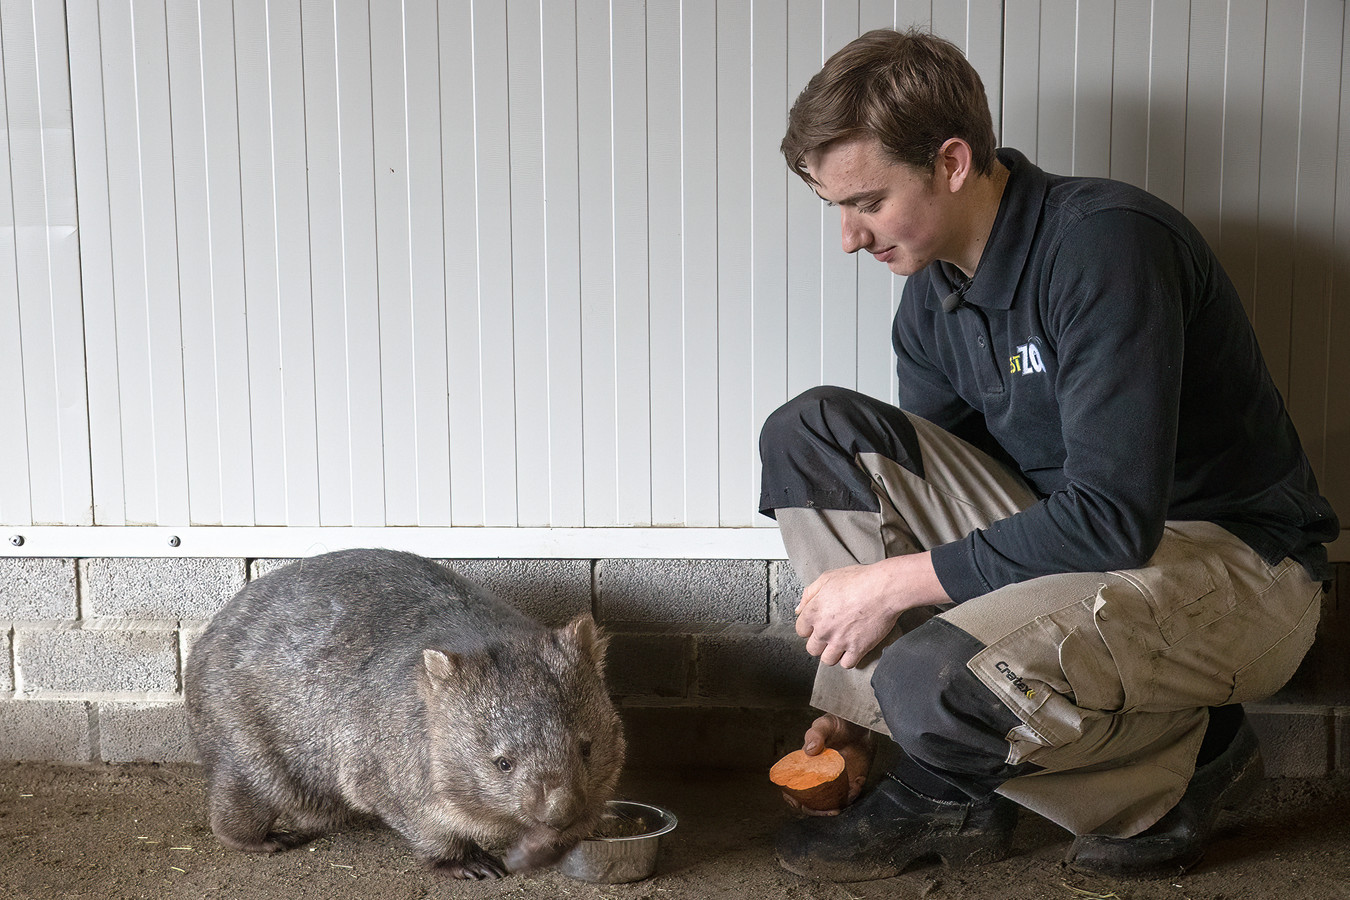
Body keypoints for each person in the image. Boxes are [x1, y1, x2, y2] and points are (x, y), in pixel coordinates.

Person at [759, 27, 1339, 882]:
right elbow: (934, 517)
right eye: (835, 207)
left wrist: (888, 593)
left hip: (1237, 569)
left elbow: (1112, 517)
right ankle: (947, 766)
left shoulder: (1106, 245)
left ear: (953, 162)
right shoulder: (931, 297)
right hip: (1093, 560)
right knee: (810, 434)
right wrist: (859, 708)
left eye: (869, 202)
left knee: (937, 680)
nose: (849, 237)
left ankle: (1189, 766)